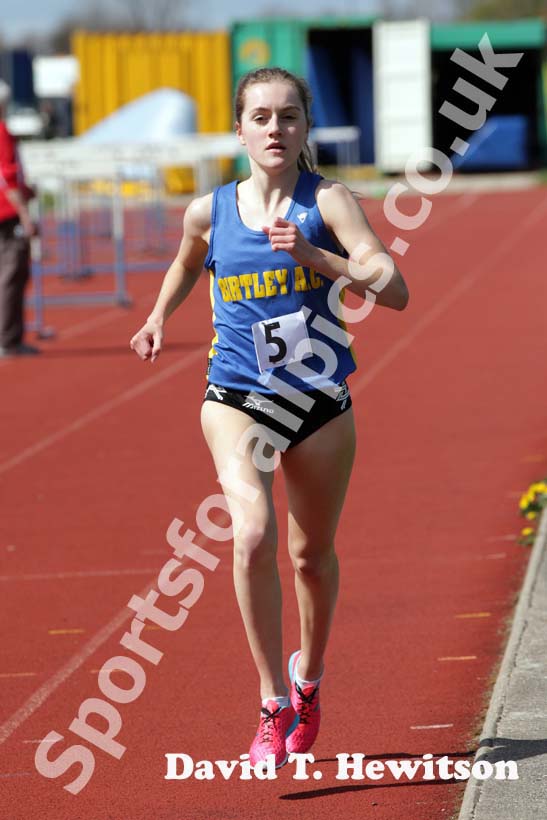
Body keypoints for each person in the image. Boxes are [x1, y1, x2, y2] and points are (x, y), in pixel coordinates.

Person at [130, 67, 409, 768]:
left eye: (287, 116)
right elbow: (187, 261)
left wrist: (320, 258)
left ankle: (307, 681)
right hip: (235, 399)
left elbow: (395, 287)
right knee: (249, 533)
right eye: (260, 117)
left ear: (304, 127)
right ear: (240, 130)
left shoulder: (330, 202)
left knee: (309, 558)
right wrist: (160, 315)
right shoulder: (209, 209)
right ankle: (269, 702)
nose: (274, 129)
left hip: (318, 403)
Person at [0, 79, 39, 358]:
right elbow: (7, 177)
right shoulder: (1, 132)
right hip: (7, 215)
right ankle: (8, 338)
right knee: (12, 275)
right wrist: (25, 215)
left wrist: (27, 191)